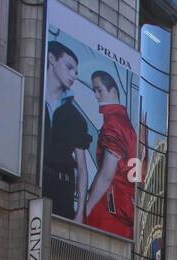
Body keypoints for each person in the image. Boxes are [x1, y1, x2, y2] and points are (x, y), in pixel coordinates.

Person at [82, 71, 136, 237]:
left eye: (99, 90)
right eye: (94, 90)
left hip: (107, 210)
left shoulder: (114, 124)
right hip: (126, 211)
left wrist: (86, 209)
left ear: (113, 91)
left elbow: (107, 173)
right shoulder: (129, 128)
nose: (96, 95)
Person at [42, 41, 91, 221]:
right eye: (69, 67)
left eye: (76, 72)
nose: (73, 75)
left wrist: (79, 214)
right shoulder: (33, 94)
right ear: (52, 59)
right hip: (35, 182)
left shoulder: (75, 117)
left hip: (63, 189)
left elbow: (82, 169)